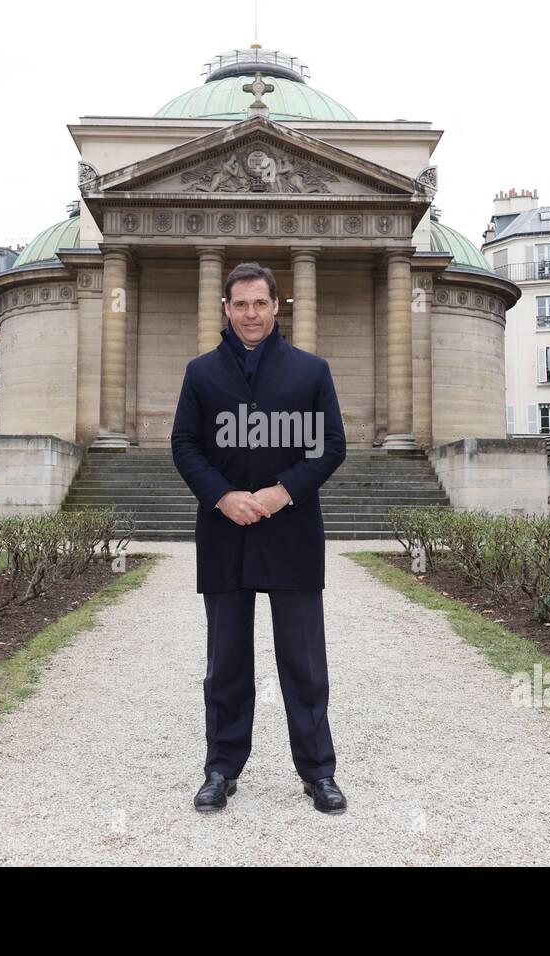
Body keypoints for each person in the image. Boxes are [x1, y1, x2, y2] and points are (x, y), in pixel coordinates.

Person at [170, 261, 348, 814]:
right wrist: (222, 496)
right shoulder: (200, 373)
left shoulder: (311, 370)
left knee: (304, 661)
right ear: (226, 308)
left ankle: (318, 772)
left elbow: (331, 446)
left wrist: (281, 492)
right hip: (224, 533)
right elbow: (184, 445)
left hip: (291, 532)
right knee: (225, 662)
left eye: (260, 303)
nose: (250, 313)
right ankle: (221, 769)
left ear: (277, 307)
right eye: (240, 304)